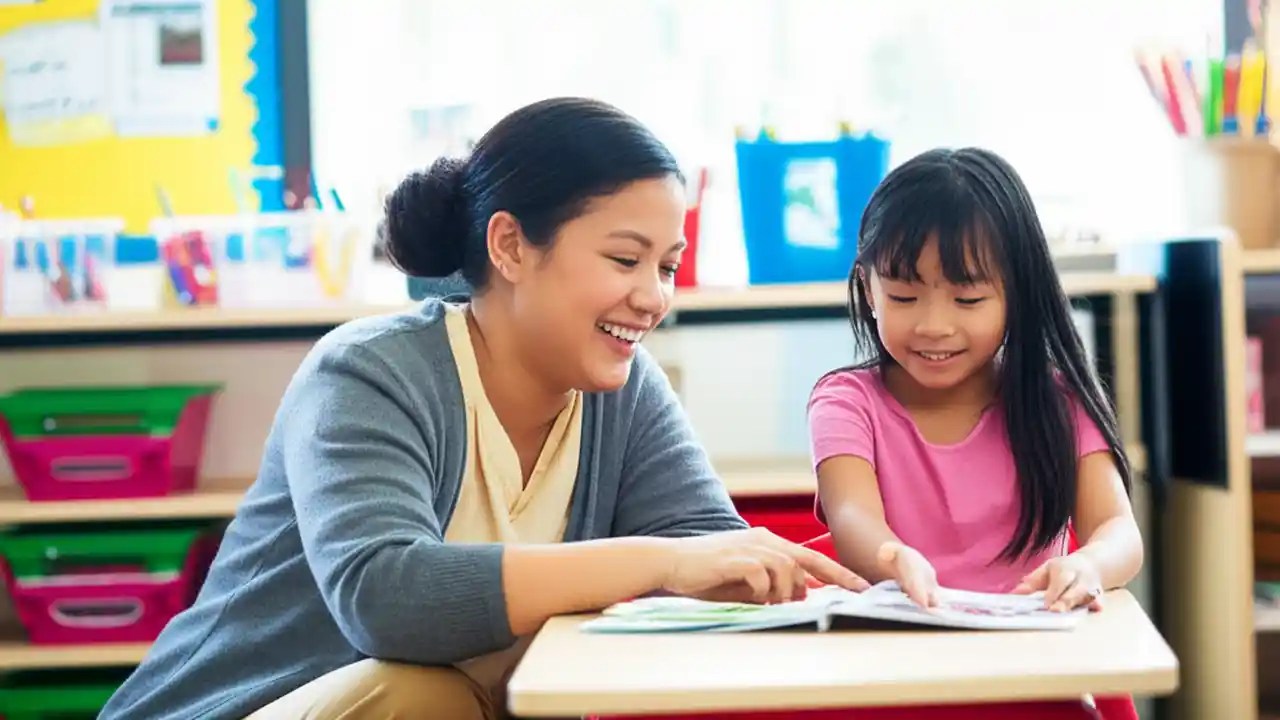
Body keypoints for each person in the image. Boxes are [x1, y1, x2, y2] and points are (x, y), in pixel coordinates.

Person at [100, 97, 865, 720]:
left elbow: (708, 551)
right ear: (510, 247)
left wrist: (804, 571)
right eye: (626, 259)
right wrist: (661, 563)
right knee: (418, 693)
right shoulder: (369, 372)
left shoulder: (625, 391)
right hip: (240, 709)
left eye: (667, 265)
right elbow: (387, 598)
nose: (654, 296)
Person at [807, 147, 1143, 612]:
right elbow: (851, 517)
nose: (934, 326)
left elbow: (1118, 531)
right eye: (904, 298)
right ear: (868, 288)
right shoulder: (845, 403)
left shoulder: (1061, 400)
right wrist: (894, 558)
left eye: (967, 300)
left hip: (1033, 660)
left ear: (1017, 293)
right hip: (901, 662)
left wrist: (1089, 565)